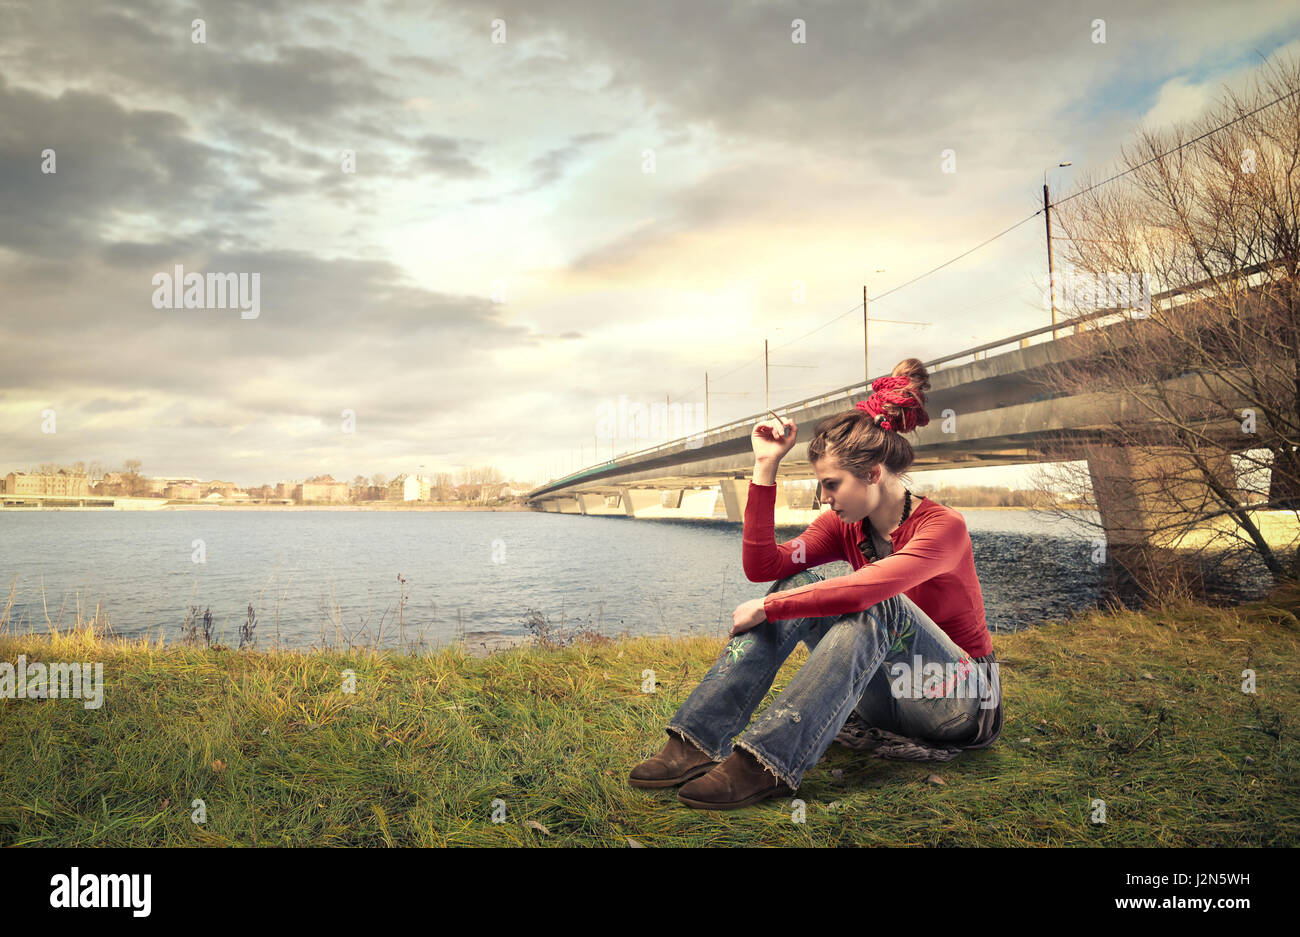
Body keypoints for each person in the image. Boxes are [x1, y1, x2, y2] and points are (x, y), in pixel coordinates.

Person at [628, 357, 1003, 810]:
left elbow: (866, 591)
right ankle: (695, 742)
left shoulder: (943, 528)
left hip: (958, 700)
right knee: (796, 579)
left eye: (831, 485)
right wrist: (765, 467)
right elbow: (764, 566)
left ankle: (766, 765)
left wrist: (768, 609)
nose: (823, 499)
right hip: (886, 693)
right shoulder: (843, 524)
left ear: (872, 473)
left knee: (881, 601)